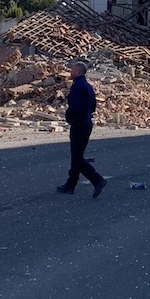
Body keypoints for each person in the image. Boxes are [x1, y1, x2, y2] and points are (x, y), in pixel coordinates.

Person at [55, 60, 107, 198]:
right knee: (76, 156)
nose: (70, 72)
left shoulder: (77, 87)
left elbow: (74, 106)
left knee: (77, 158)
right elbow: (93, 106)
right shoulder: (87, 86)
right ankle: (70, 185)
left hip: (79, 124)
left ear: (77, 72)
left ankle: (97, 180)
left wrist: (70, 117)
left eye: (72, 70)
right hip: (86, 122)